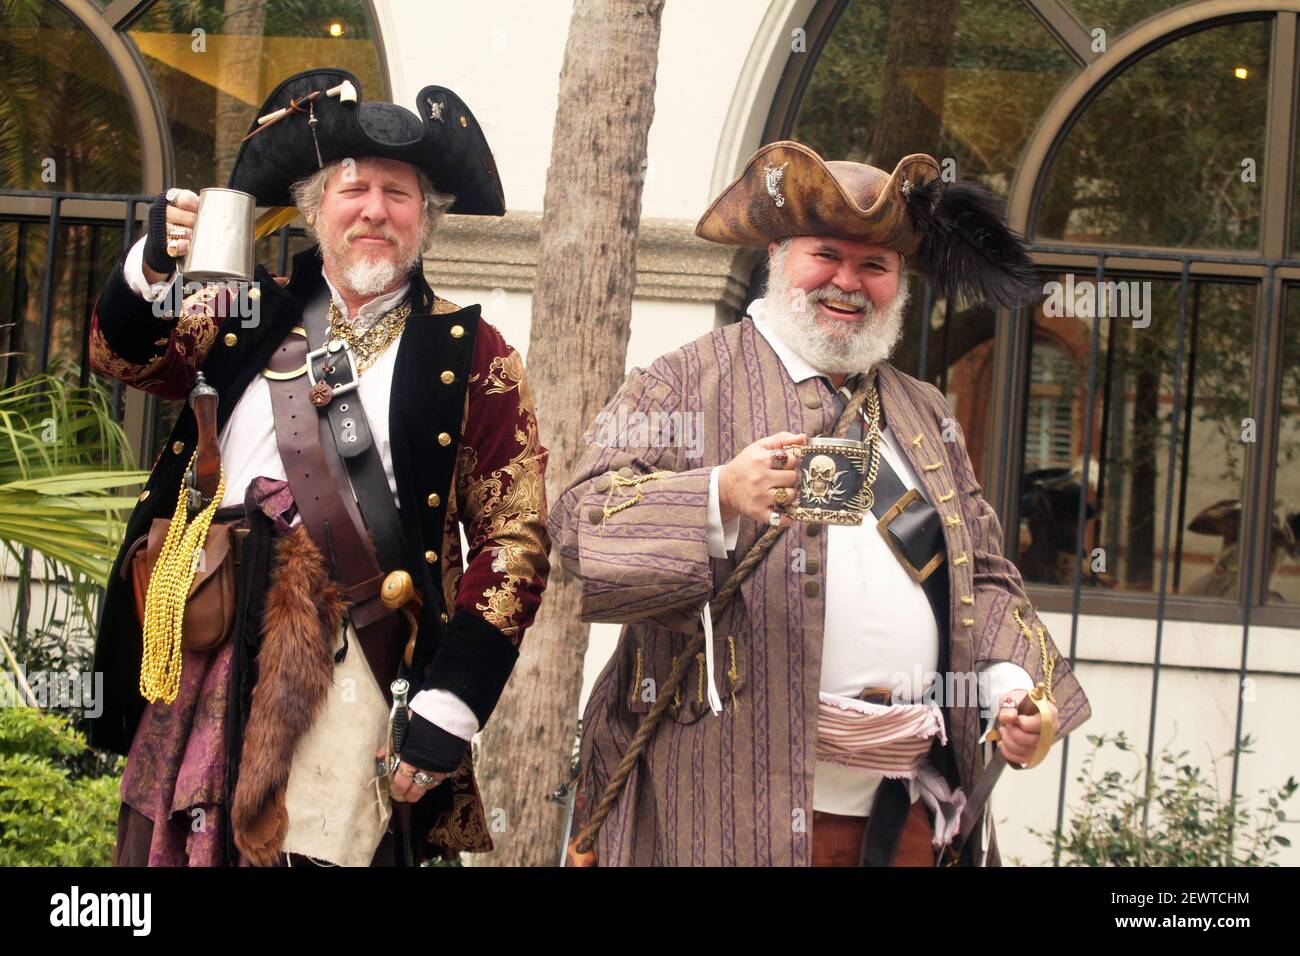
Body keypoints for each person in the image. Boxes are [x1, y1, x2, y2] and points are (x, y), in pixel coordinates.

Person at [551, 141, 1091, 866]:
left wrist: (1010, 691)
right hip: (722, 809)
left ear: (898, 281)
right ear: (778, 253)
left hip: (904, 813)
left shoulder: (926, 412)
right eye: (826, 256)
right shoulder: (679, 383)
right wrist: (718, 496)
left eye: (874, 266)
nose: (847, 282)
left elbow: (982, 576)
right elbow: (578, 535)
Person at [88, 68, 549, 866]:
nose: (375, 209)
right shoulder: (239, 311)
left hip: (361, 661)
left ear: (427, 219)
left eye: (399, 193)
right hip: (204, 631)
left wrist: (454, 696)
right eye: (354, 188)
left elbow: (516, 540)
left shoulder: (476, 356)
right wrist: (154, 267)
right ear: (314, 209)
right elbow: (123, 355)